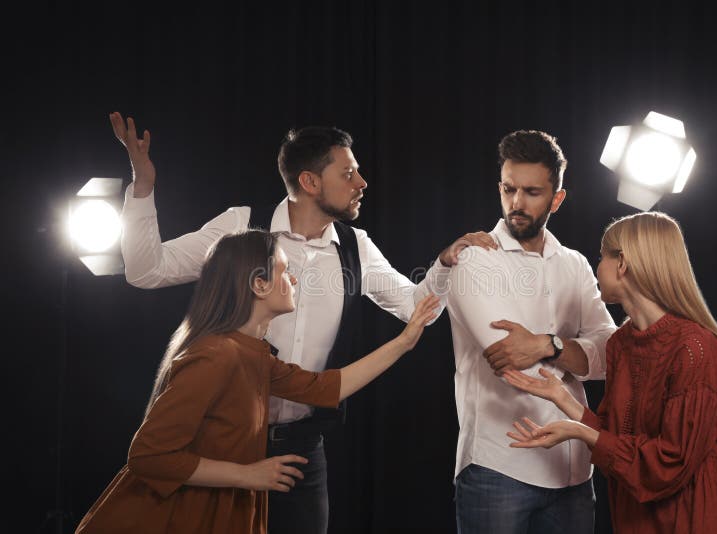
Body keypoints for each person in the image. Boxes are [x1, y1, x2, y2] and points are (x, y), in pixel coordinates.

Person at [109, 112, 495, 532]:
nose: (361, 183)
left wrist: (443, 263)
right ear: (310, 182)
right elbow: (147, 271)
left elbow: (416, 308)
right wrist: (143, 188)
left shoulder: (355, 247)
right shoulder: (242, 228)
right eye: (348, 173)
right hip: (224, 442)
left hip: (302, 449)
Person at [75, 230, 441, 533]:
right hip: (181, 517)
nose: (293, 279)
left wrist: (405, 341)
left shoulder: (252, 354)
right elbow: (148, 456)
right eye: (284, 271)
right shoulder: (217, 356)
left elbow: (326, 387)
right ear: (259, 285)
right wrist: (247, 474)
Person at [503, 212, 717, 533]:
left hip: (698, 516)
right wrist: (564, 400)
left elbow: (669, 464)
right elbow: (621, 439)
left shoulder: (696, 348)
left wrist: (581, 432)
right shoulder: (621, 344)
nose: (596, 266)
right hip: (643, 517)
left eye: (601, 256)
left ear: (623, 263)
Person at [442, 129, 617, 534]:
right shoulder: (473, 262)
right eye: (509, 189)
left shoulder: (574, 264)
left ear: (557, 198)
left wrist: (546, 344)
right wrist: (574, 353)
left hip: (573, 471)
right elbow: (509, 359)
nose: (516, 204)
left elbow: (610, 356)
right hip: (499, 465)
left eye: (532, 192)